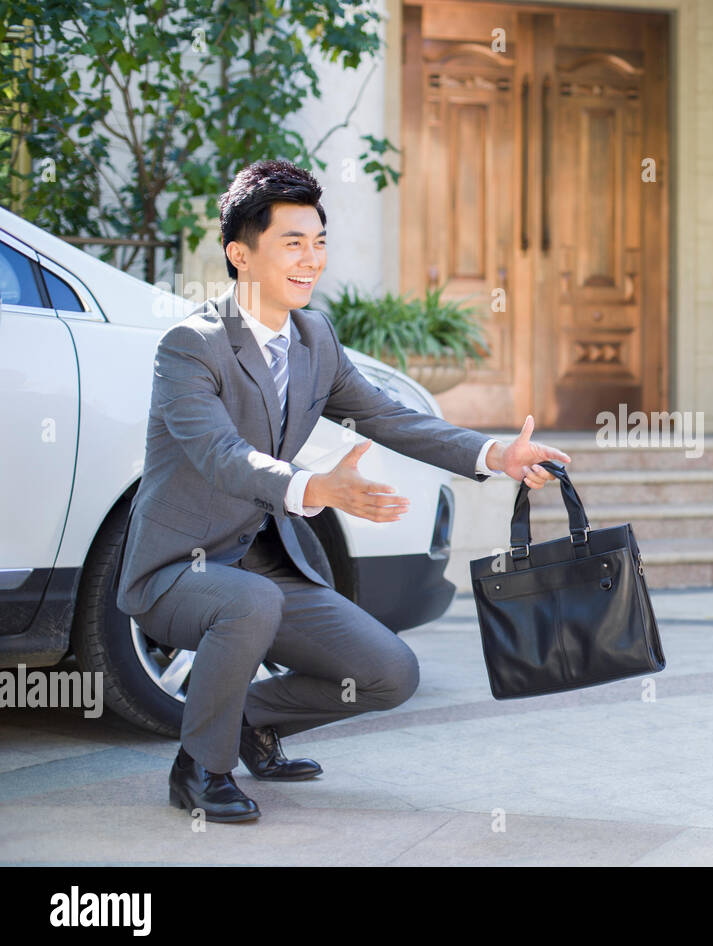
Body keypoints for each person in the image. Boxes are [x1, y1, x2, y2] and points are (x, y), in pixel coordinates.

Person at [116, 159, 570, 823]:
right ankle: (199, 768)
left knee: (391, 672)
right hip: (175, 572)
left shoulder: (313, 337)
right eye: (292, 243)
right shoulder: (191, 346)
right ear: (241, 254)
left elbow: (388, 416)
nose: (312, 259)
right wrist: (313, 487)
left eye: (320, 241)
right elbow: (221, 456)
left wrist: (495, 453)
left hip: (265, 565)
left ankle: (249, 723)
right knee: (250, 603)